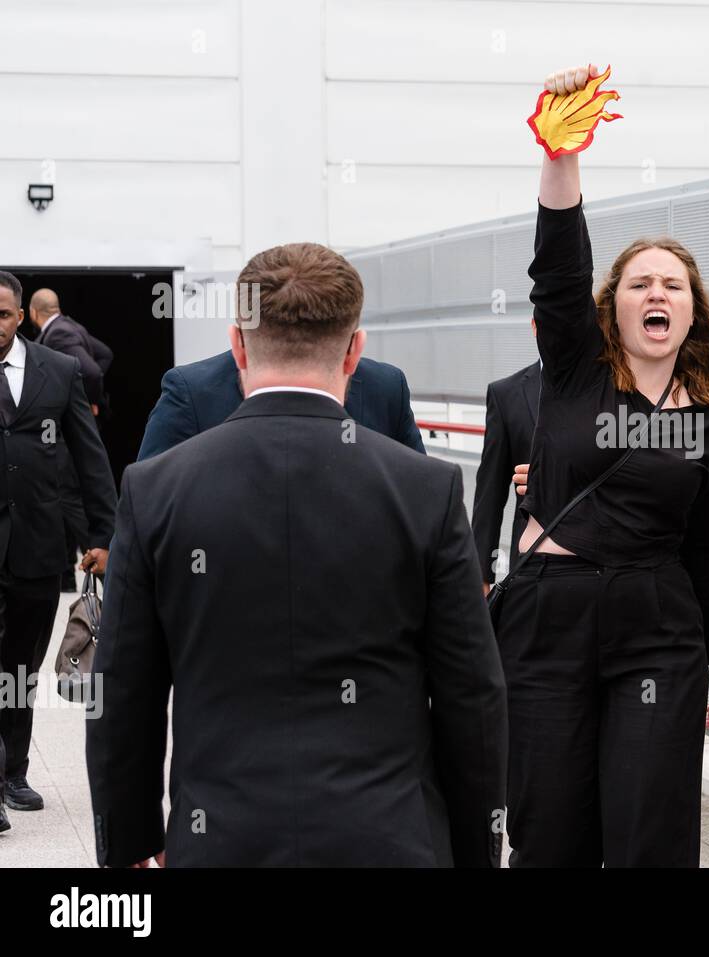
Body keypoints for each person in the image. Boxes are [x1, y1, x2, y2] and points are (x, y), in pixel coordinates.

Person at [85, 243, 508, 867]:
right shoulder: (427, 490)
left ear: (237, 346)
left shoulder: (154, 491)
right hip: (389, 839)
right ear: (355, 351)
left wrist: (129, 845)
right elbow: (472, 695)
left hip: (220, 840)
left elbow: (121, 689)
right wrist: (476, 848)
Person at [494, 63, 709, 867]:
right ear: (616, 304)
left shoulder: (705, 419)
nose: (656, 292)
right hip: (550, 615)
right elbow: (557, 271)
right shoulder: (573, 368)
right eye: (640, 282)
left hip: (658, 628)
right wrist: (559, 159)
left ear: (692, 309)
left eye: (672, 283)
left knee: (650, 833)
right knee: (550, 828)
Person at [0, 272, 114, 833]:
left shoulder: (60, 371)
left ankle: (13, 773)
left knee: (20, 667)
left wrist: (102, 536)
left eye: (1, 314)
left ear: (20, 316)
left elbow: (90, 457)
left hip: (37, 546)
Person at [137, 346, 425, 459]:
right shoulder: (192, 391)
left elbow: (420, 504)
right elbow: (147, 514)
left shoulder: (385, 387)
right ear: (239, 342)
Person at [27, 289, 115, 590]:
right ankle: (66, 574)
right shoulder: (73, 327)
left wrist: (85, 398)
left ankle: (101, 556)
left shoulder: (59, 335)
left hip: (70, 428)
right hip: (70, 428)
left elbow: (89, 369)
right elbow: (104, 355)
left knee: (68, 494)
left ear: (34, 314)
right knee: (65, 491)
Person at [471, 324, 541, 593]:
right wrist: (481, 575)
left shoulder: (608, 386)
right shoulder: (506, 394)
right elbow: (491, 490)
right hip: (528, 566)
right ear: (535, 326)